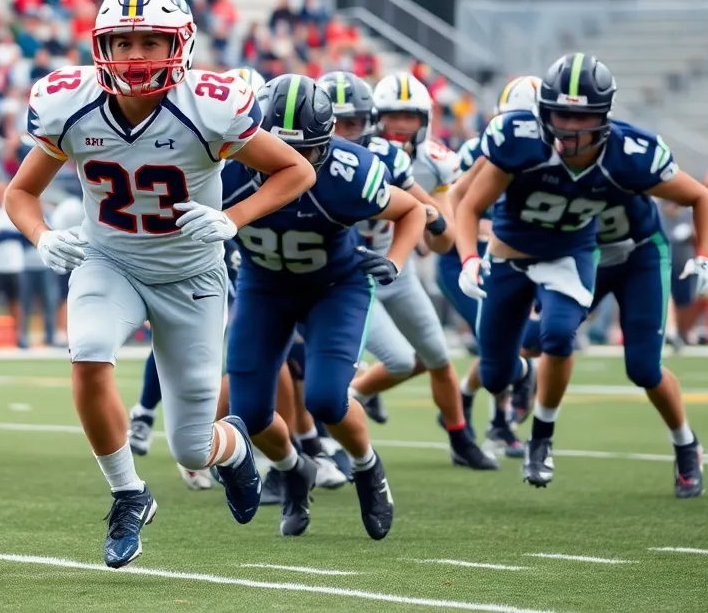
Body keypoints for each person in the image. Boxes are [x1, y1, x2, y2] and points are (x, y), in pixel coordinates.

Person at [3, 0, 315, 569]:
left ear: (182, 43)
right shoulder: (70, 104)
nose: (136, 56)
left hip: (191, 274)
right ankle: (128, 493)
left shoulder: (210, 105)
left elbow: (296, 170)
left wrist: (234, 217)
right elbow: (20, 193)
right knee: (88, 351)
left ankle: (234, 449)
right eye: (123, 43)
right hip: (110, 258)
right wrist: (41, 236)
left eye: (151, 41)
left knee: (193, 448)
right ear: (102, 47)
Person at [455, 54, 708, 495]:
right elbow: (466, 198)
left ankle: (685, 443)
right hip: (569, 250)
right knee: (514, 357)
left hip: (633, 256)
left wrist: (706, 255)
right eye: (562, 113)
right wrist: (469, 256)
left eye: (583, 116)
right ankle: (517, 388)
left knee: (641, 367)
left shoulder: (631, 156)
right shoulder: (521, 141)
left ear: (604, 117)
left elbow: (700, 196)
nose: (571, 127)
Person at [224, 74, 424, 538]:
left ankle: (366, 467)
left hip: (334, 286)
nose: (291, 163)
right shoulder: (223, 166)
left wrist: (394, 261)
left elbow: (413, 210)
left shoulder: (350, 173)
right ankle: (295, 470)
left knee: (326, 398)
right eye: (279, 149)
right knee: (249, 413)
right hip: (263, 286)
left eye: (306, 151)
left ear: (328, 142)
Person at [344, 72, 497, 471]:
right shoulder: (356, 154)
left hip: (397, 269)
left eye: (410, 116)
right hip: (351, 275)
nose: (400, 125)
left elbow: (441, 243)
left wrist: (429, 219)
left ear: (424, 120)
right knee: (347, 362)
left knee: (436, 356)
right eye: (393, 115)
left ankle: (460, 437)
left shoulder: (435, 161)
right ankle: (324, 443)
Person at [440, 76, 544, 455]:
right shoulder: (480, 150)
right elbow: (455, 203)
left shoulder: (553, 154)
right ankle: (498, 423)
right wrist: (487, 232)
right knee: (499, 341)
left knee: (509, 344)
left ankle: (467, 398)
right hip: (463, 262)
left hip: (508, 261)